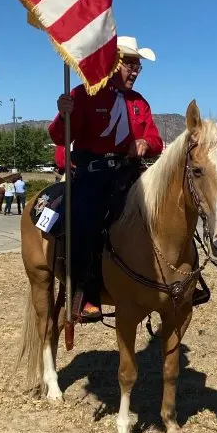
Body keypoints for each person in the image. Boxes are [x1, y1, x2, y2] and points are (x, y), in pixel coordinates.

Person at [48, 35, 163, 321]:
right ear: (112, 64)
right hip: (93, 175)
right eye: (129, 64)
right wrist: (64, 117)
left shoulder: (140, 103)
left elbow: (156, 140)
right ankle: (85, 292)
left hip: (128, 173)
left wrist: (145, 144)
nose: (135, 71)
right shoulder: (84, 94)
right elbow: (59, 137)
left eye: (138, 66)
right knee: (84, 222)